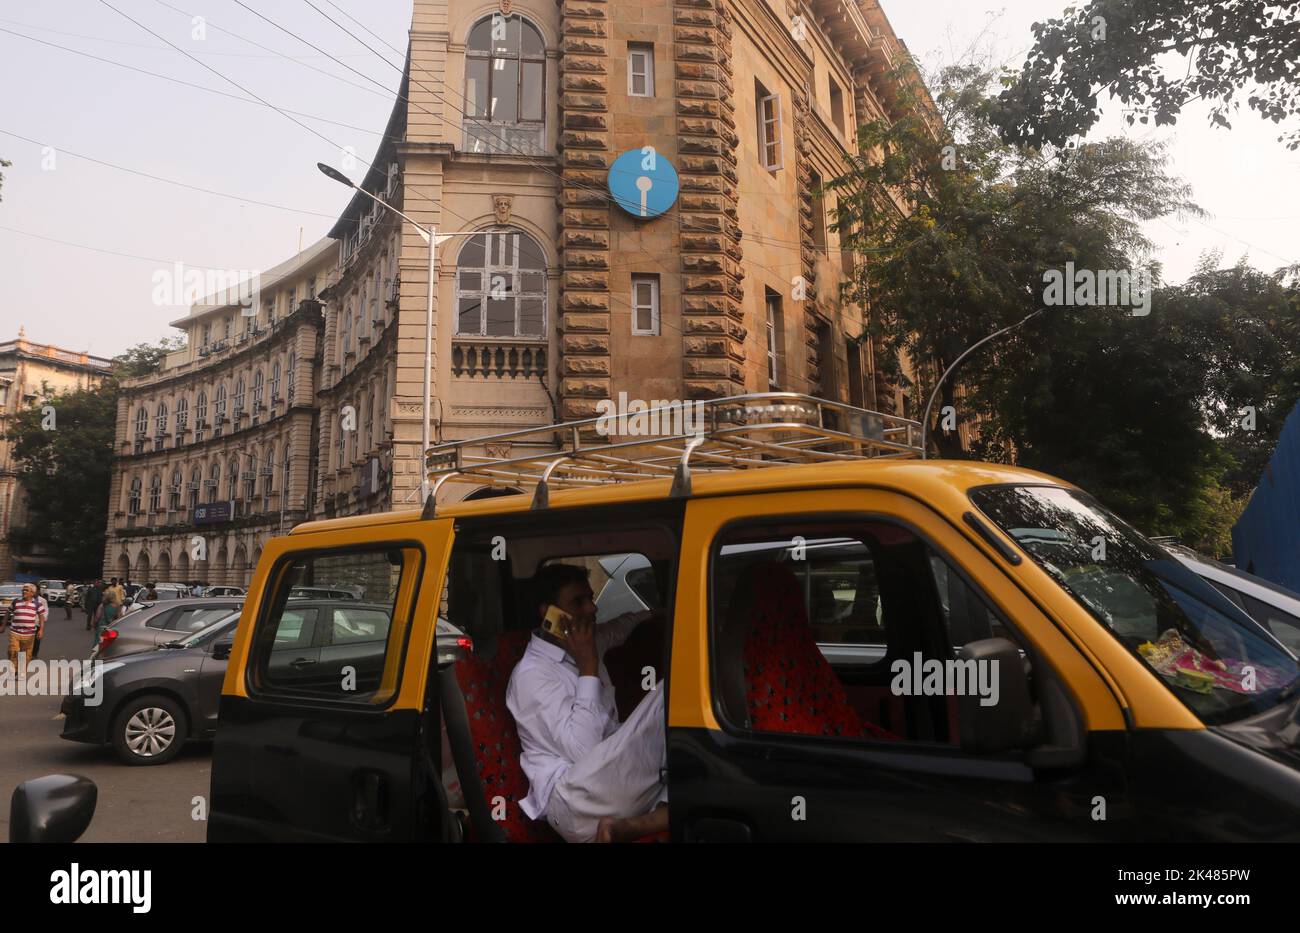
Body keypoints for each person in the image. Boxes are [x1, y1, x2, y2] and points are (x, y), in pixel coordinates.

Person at [505, 563, 668, 843]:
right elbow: (585, 751)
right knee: (672, 692)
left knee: (689, 761)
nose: (592, 608)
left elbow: (618, 628)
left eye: (590, 598)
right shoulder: (531, 675)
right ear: (549, 615)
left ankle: (634, 826)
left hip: (603, 781)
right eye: (578, 602)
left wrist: (658, 614)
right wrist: (588, 667)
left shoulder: (580, 642)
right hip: (574, 800)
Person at [4, 584, 46, 674]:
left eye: (26, 590)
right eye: (23, 590)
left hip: (29, 634)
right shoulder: (16, 601)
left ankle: (21, 671)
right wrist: (3, 626)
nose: (24, 592)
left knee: (26, 654)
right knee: (14, 650)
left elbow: (42, 617)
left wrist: (41, 630)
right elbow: (8, 613)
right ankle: (15, 670)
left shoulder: (38, 604)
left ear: (32, 593)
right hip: (15, 632)